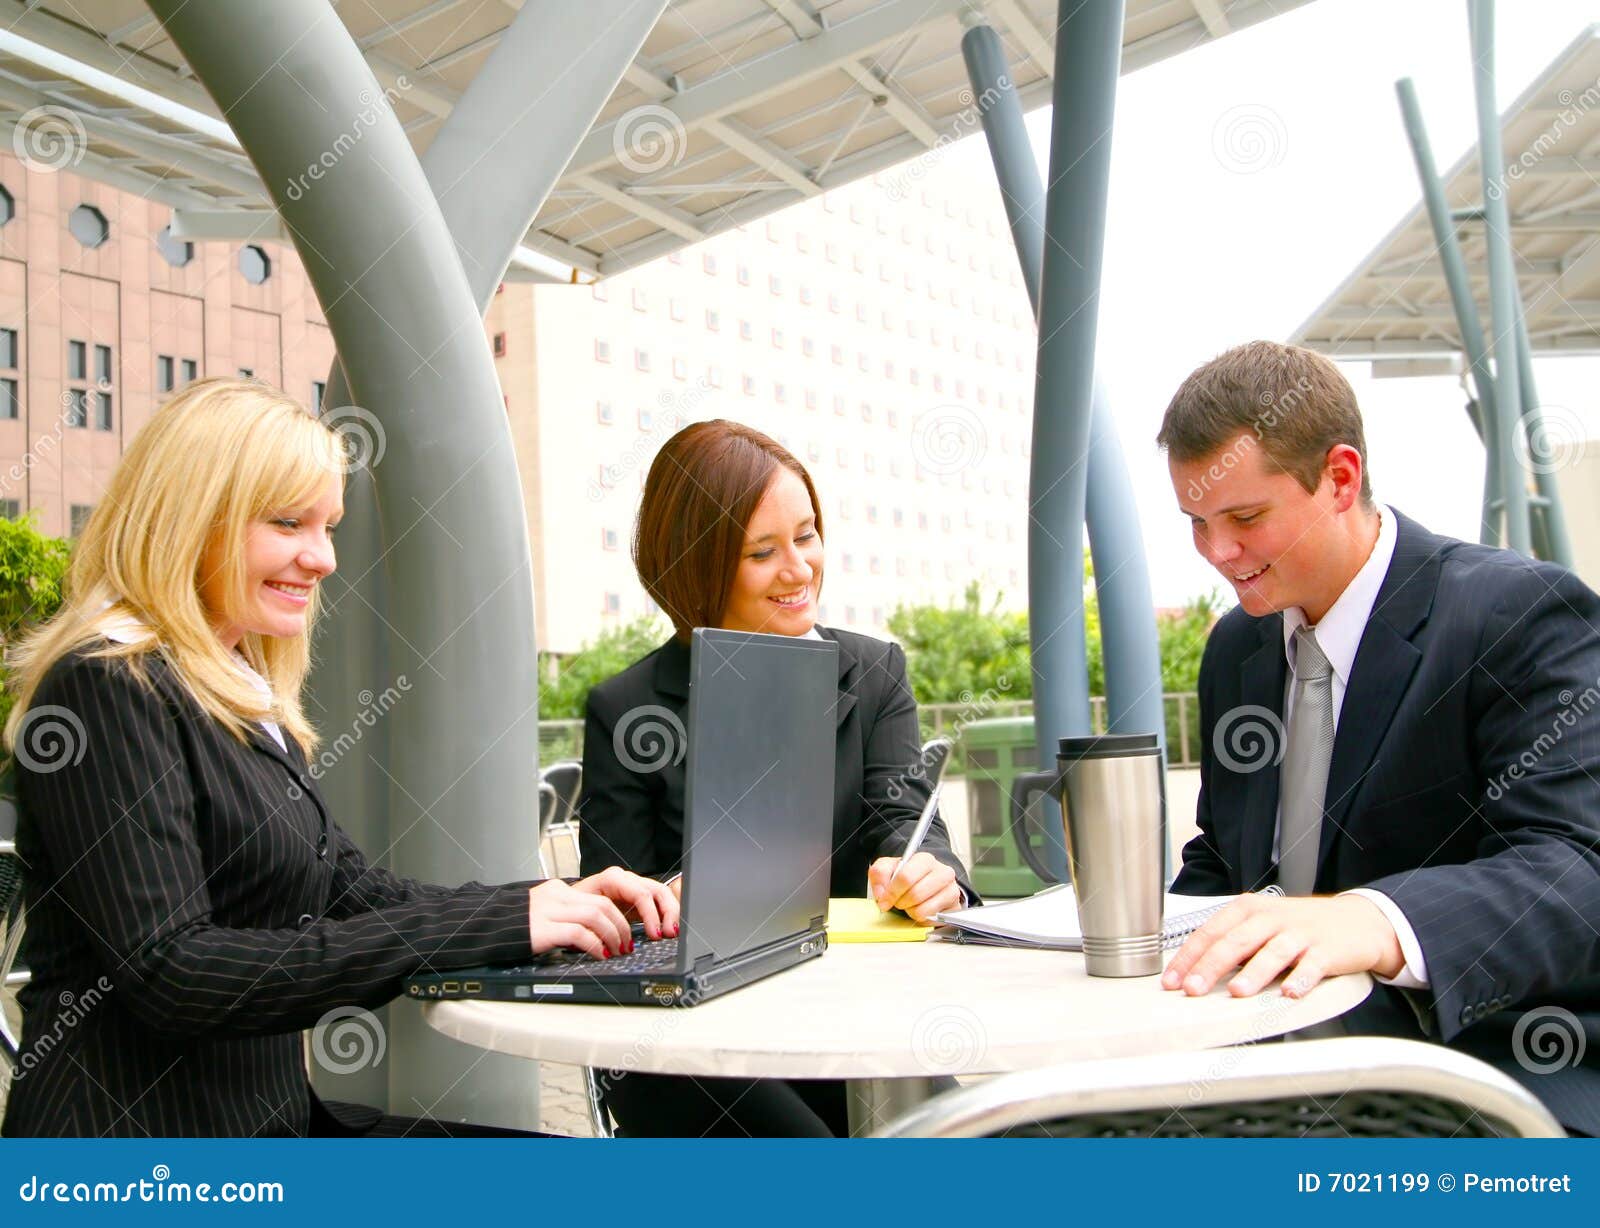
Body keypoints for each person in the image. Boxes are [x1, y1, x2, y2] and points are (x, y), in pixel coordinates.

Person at [0, 378, 677, 1138]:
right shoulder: (104, 686)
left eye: (328, 526)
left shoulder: (236, 690)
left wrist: (555, 904)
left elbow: (355, 891)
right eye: (288, 522)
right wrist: (504, 925)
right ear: (189, 516)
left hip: (269, 1126)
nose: (322, 558)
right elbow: (176, 973)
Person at [1156, 340, 1600, 1136]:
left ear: (1340, 478)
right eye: (1197, 524)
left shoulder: (1517, 614)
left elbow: (1576, 870)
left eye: (1246, 518)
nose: (1218, 553)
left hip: (1483, 1073)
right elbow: (1223, 859)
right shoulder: (1237, 648)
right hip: (1266, 1063)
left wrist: (1373, 920)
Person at [578, 418, 978, 1136]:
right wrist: (670, 900)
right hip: (689, 1040)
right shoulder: (627, 710)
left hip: (852, 1016)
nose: (799, 569)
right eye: (763, 552)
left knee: (968, 1139)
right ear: (695, 565)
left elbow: (906, 823)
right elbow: (610, 911)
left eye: (807, 535)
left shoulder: (874, 673)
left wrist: (927, 873)